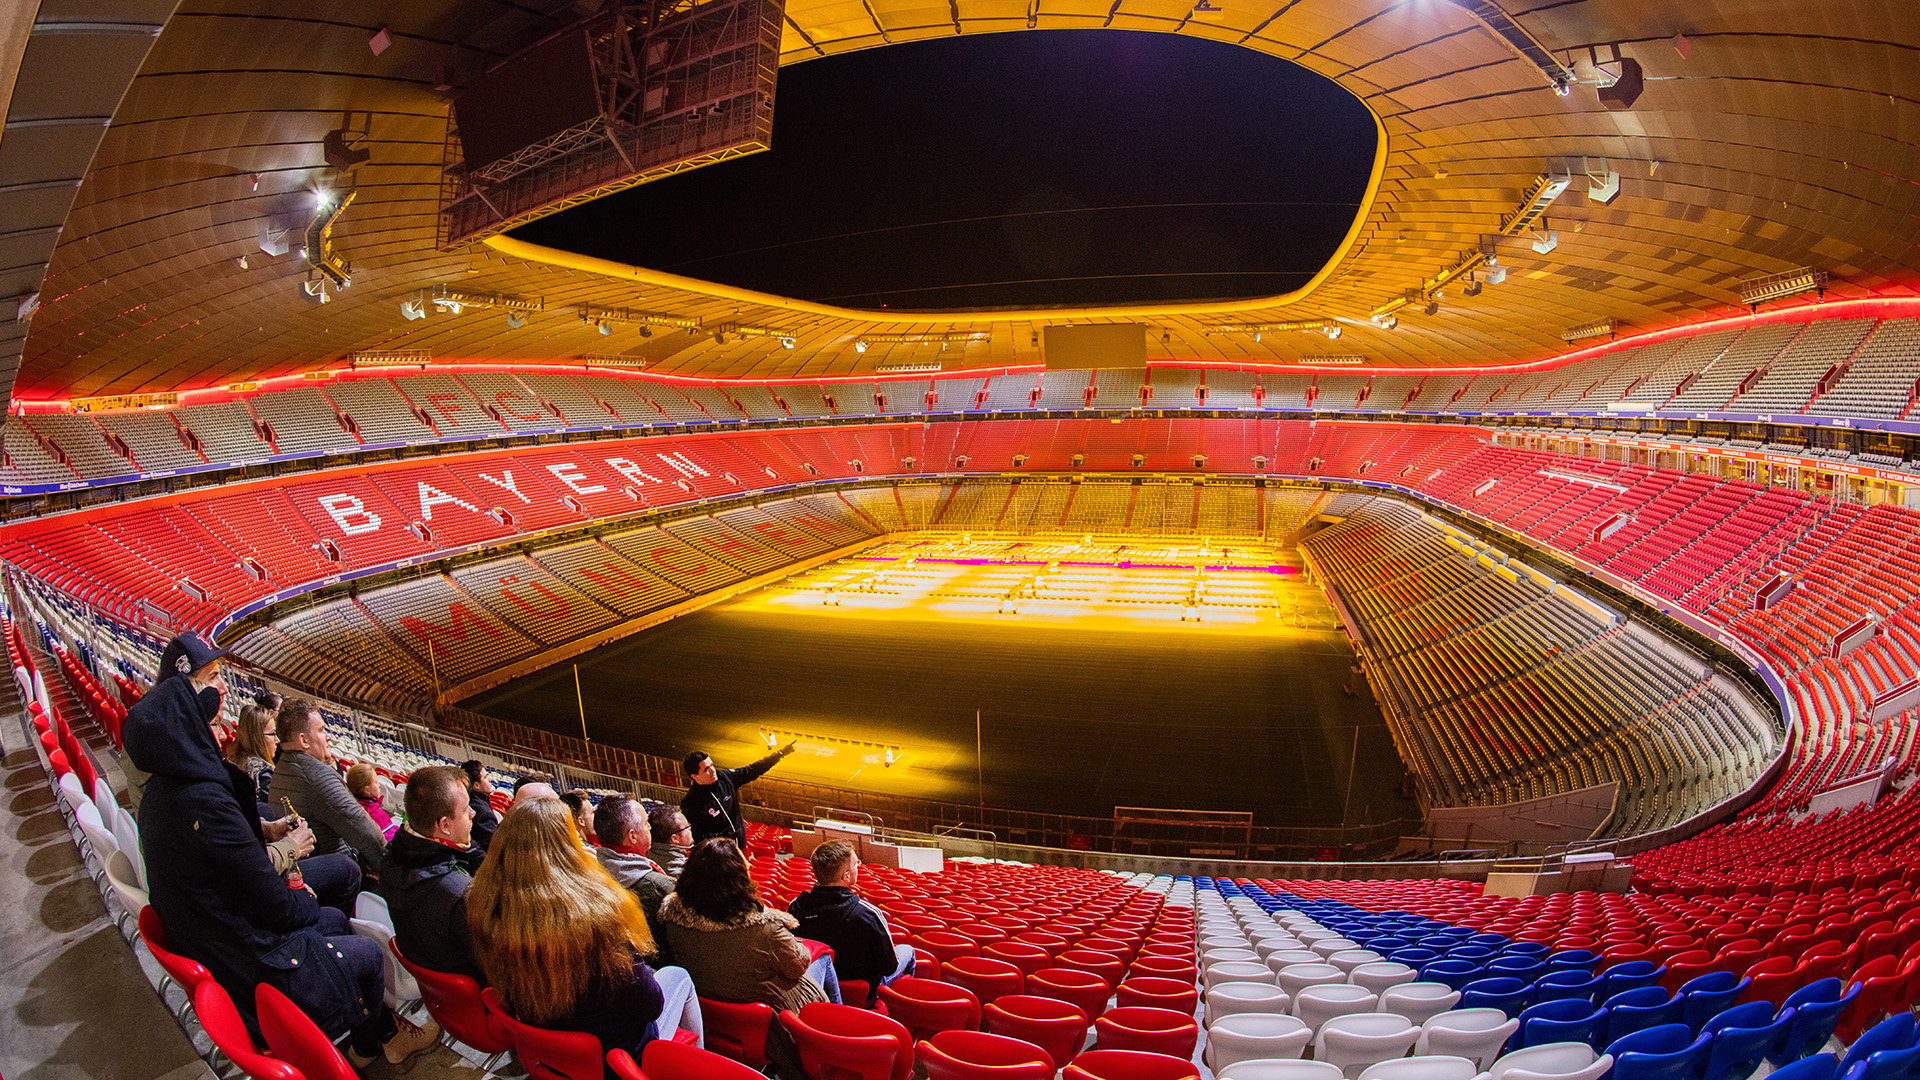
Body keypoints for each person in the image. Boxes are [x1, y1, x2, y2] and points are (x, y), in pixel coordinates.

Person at [127, 633, 438, 1067]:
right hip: (253, 966)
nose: (222, 736)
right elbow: (270, 900)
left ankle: (365, 1015)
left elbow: (231, 866)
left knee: (332, 915)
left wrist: (268, 840)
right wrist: (297, 891)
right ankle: (371, 1044)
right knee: (365, 950)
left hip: (224, 942)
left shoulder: (168, 795)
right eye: (213, 727)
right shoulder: (204, 803)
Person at [467, 799, 702, 1073]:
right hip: (617, 1056)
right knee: (679, 977)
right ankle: (697, 1067)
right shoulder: (595, 917)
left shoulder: (484, 907)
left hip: (549, 1047)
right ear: (566, 849)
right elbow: (651, 1006)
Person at [657, 838, 837, 1012]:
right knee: (824, 956)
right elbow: (797, 966)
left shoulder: (673, 917)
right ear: (738, 877)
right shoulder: (766, 929)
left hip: (712, 1005)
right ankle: (835, 1021)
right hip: (773, 1015)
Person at [377, 764, 485, 982]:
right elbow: (491, 965)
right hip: (471, 987)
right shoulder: (458, 894)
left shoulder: (392, 855)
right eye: (465, 810)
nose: (473, 813)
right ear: (444, 825)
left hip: (432, 973)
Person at [788, 840, 914, 1005]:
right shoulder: (868, 913)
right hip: (864, 995)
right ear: (846, 875)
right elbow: (889, 967)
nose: (858, 867)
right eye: (856, 864)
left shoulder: (795, 907)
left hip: (819, 989)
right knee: (908, 950)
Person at [268, 700, 386, 865]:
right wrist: (395, 874)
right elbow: (366, 833)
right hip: (341, 866)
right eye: (322, 730)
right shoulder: (317, 776)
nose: (328, 736)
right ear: (304, 740)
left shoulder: (282, 766)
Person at [592, 795, 675, 959]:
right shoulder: (661, 888)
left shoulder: (590, 873)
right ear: (632, 836)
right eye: (646, 824)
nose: (650, 828)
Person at [681, 743, 796, 844]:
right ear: (694, 776)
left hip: (740, 846)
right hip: (721, 855)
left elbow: (753, 770)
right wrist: (725, 838)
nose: (713, 771)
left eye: (712, 765)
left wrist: (779, 754)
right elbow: (696, 836)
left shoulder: (725, 778)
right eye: (706, 769)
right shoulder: (690, 803)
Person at [224, 703, 278, 811]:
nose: (277, 740)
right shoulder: (265, 772)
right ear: (256, 737)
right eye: (272, 734)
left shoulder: (231, 761)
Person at [346, 762, 399, 843]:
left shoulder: (351, 803)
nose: (379, 785)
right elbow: (392, 840)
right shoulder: (378, 816)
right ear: (367, 790)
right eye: (376, 782)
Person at [460, 760, 499, 853]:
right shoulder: (482, 812)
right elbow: (493, 845)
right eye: (486, 777)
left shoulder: (474, 802)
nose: (490, 780)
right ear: (476, 786)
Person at [648, 803, 694, 879]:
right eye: (687, 827)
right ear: (675, 838)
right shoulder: (683, 873)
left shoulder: (649, 856)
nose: (690, 829)